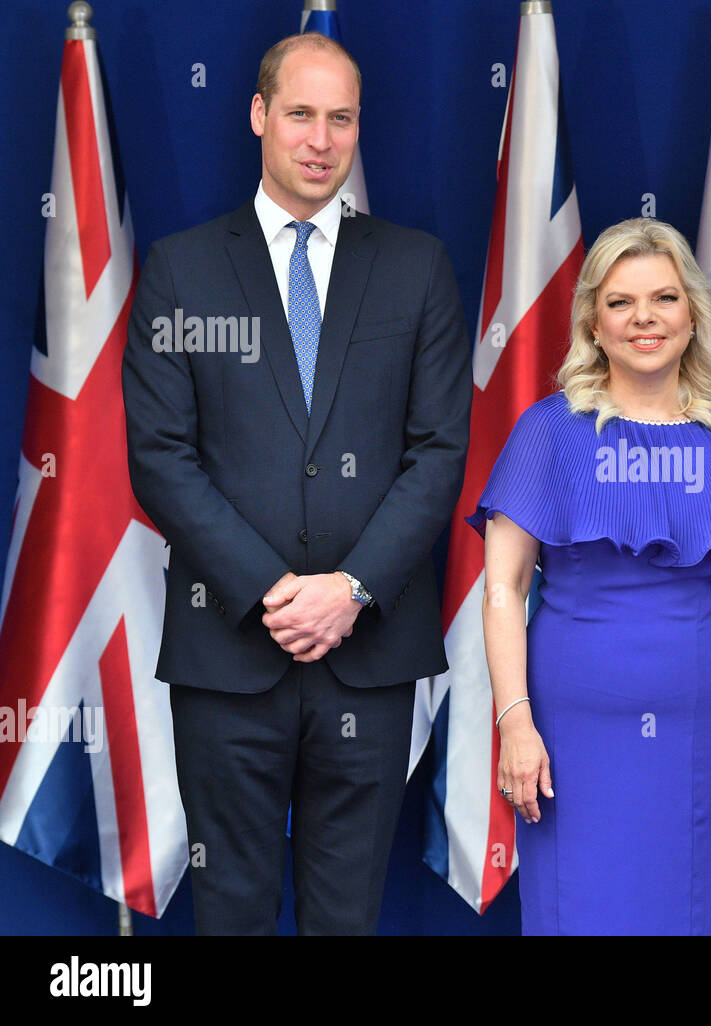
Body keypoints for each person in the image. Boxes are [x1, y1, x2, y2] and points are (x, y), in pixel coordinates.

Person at [121, 33, 471, 934]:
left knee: (346, 913)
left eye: (341, 118)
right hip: (228, 652)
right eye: (302, 114)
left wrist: (349, 592)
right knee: (230, 908)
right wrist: (277, 593)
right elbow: (160, 456)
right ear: (259, 117)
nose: (321, 139)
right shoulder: (182, 269)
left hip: (369, 655)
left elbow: (437, 454)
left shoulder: (416, 267)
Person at [470, 218, 711, 935]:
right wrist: (515, 720)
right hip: (571, 731)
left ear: (694, 313)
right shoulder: (547, 431)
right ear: (592, 320)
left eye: (665, 298)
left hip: (702, 729)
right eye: (621, 302)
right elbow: (503, 589)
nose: (645, 318)